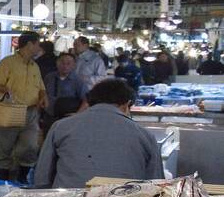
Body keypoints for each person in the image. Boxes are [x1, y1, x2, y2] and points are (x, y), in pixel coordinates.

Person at [35, 78, 164, 188]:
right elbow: (156, 185)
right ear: (126, 105)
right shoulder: (145, 135)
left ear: (89, 103)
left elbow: (41, 178)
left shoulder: (61, 127)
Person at [0, 30, 46, 182]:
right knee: (4, 150)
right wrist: (7, 90)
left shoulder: (35, 66)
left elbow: (41, 87)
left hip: (31, 112)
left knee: (30, 147)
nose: (39, 47)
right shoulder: (7, 62)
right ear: (29, 44)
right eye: (37, 44)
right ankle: (0, 182)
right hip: (10, 111)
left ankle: (22, 179)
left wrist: (43, 97)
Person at [44, 52, 86, 123]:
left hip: (67, 118)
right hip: (49, 115)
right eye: (62, 63)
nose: (65, 66)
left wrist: (78, 114)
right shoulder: (49, 77)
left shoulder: (77, 80)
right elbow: (43, 92)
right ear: (57, 63)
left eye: (69, 63)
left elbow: (86, 99)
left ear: (74, 65)